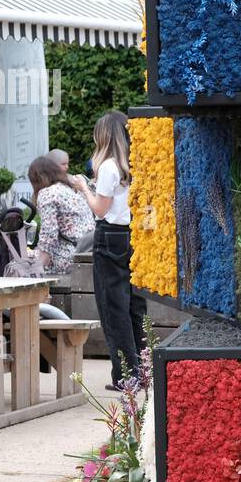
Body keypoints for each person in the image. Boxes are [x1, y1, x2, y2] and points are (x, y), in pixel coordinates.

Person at [72, 112, 146, 390]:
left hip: (110, 237)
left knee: (113, 308)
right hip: (133, 235)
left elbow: (100, 209)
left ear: (103, 136)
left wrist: (83, 188)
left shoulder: (107, 167)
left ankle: (126, 376)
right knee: (134, 307)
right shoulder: (134, 163)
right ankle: (142, 371)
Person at [27, 155, 94, 274]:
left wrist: (39, 264)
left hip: (68, 257)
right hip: (85, 250)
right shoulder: (68, 189)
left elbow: (49, 234)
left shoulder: (47, 194)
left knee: (20, 259)